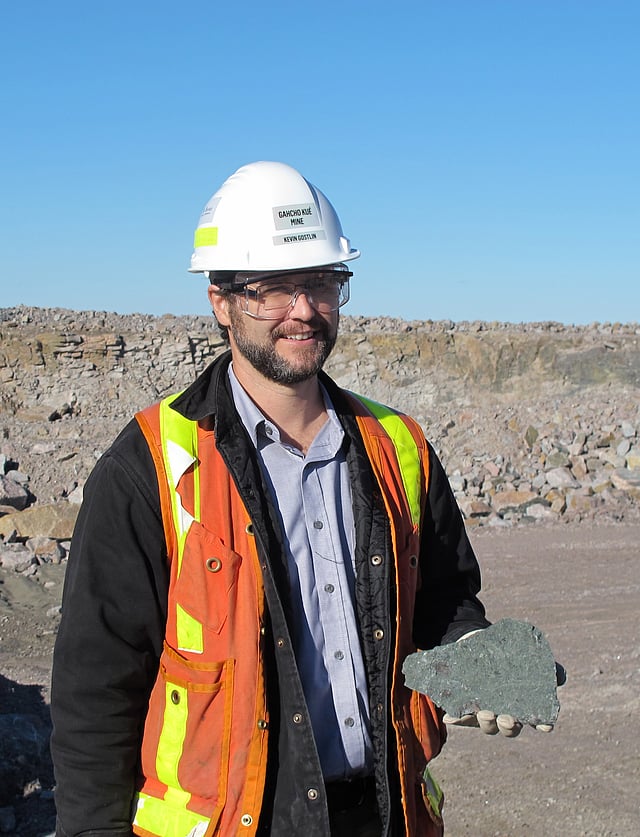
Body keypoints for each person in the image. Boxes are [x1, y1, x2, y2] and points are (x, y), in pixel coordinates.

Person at [50, 161, 548, 837]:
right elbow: (95, 693)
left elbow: (445, 600)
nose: (304, 309)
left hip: (382, 813)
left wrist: (472, 656)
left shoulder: (397, 447)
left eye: (320, 282)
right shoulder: (151, 465)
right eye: (271, 289)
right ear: (220, 300)